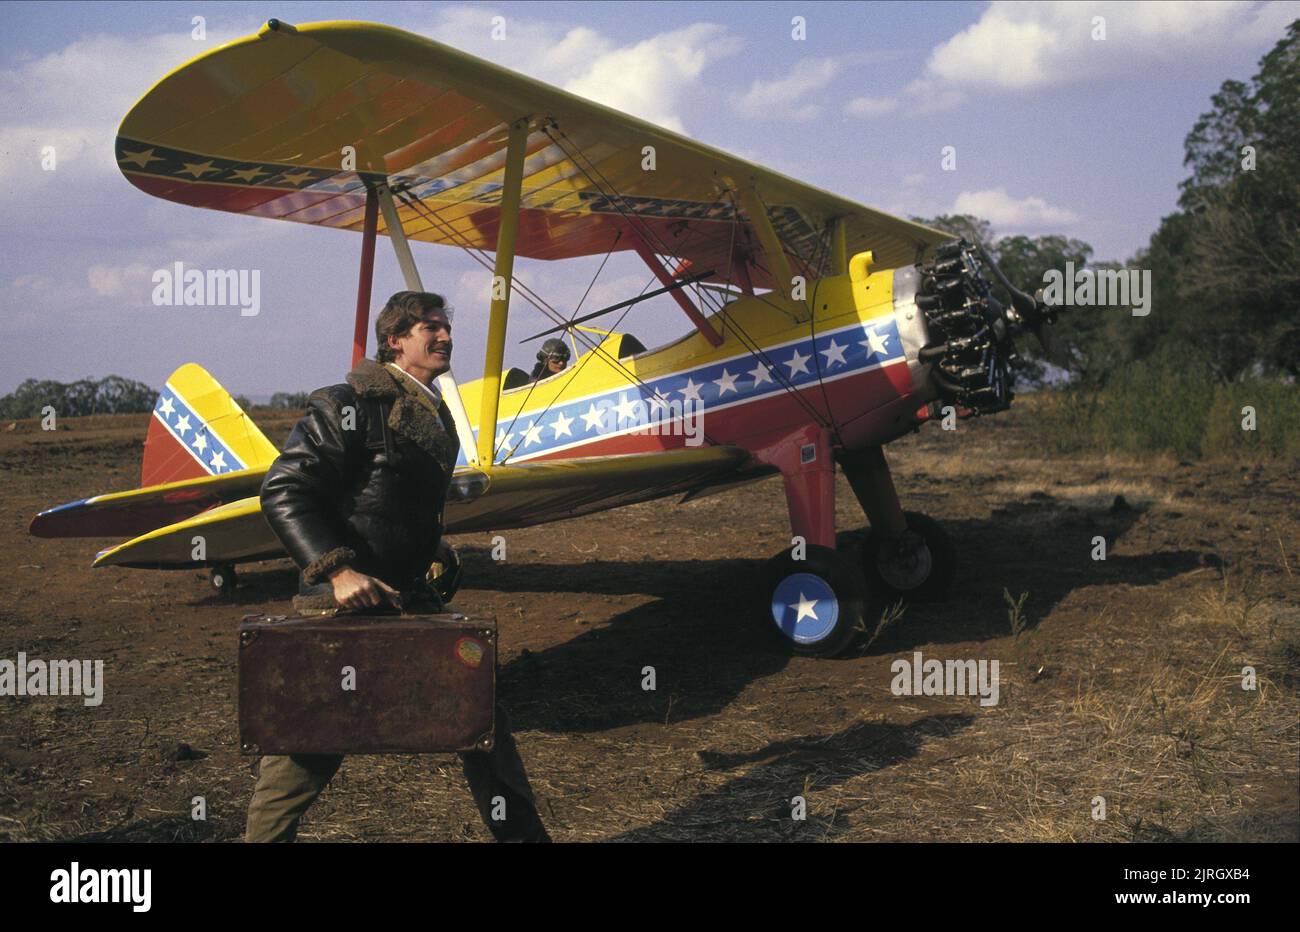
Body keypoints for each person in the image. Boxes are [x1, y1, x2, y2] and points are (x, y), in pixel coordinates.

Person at [244, 290, 549, 843]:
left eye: (445, 327)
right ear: (395, 340)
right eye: (428, 327)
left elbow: (387, 499)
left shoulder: (431, 408)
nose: (444, 336)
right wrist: (337, 573)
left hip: (412, 598)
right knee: (304, 751)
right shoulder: (348, 404)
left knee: (481, 722)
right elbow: (284, 491)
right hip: (345, 606)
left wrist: (430, 545)